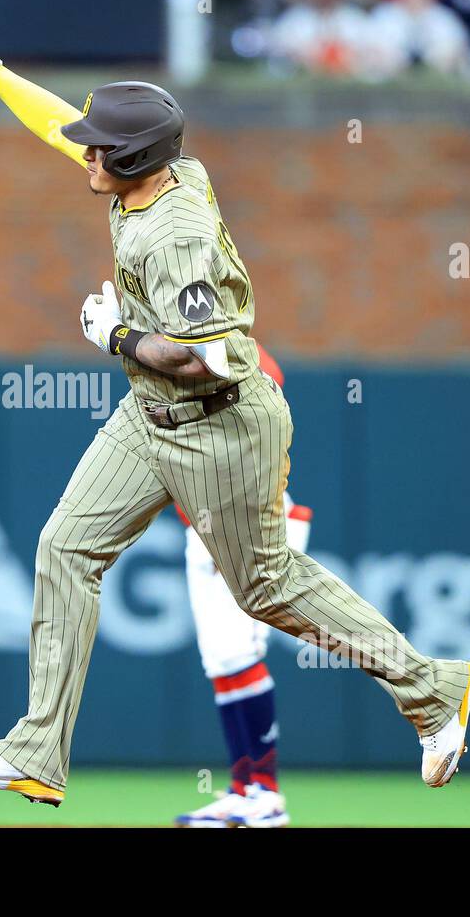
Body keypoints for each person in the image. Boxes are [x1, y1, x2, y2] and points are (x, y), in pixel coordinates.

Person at [0, 10, 470, 809]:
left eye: (99, 145)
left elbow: (206, 356)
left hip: (221, 421)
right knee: (65, 548)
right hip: (149, 416)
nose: (83, 149)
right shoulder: (162, 170)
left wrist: (112, 334)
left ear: (134, 159)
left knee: (265, 589)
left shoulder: (175, 235)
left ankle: (432, 689)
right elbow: (62, 132)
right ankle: (36, 752)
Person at [173, 343, 310, 828]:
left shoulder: (231, 348)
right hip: (205, 527)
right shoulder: (163, 355)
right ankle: (243, 789)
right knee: (222, 659)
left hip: (250, 520)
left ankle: (267, 795)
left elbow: (263, 403)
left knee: (241, 654)